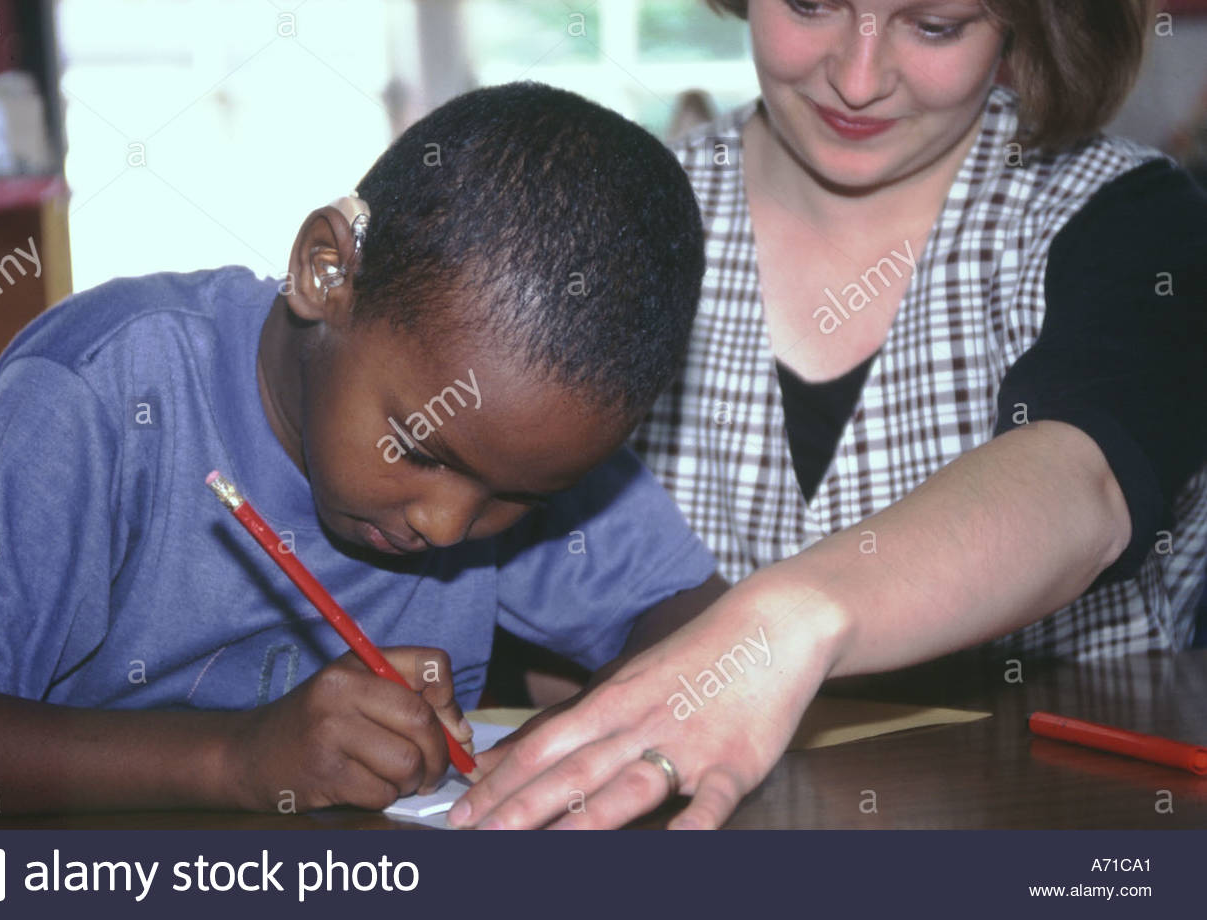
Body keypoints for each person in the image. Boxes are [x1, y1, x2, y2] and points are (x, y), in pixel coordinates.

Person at [451, 0, 1207, 830]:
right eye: (812, 4)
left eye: (936, 25)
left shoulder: (1137, 221)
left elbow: (1084, 481)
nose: (857, 78)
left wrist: (783, 624)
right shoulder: (614, 229)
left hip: (1063, 817)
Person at [0, 82, 726, 817]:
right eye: (420, 447)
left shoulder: (513, 444)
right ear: (326, 270)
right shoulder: (107, 392)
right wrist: (235, 762)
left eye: (519, 502)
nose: (446, 527)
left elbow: (699, 621)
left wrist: (565, 745)